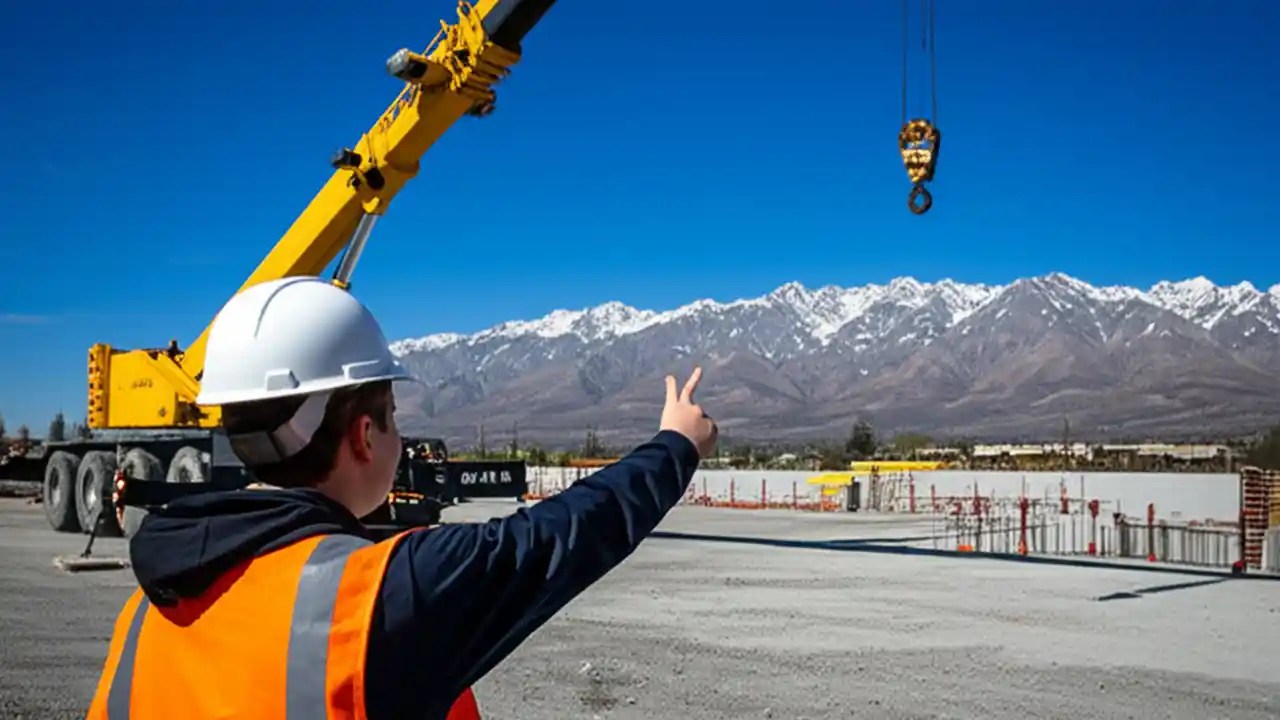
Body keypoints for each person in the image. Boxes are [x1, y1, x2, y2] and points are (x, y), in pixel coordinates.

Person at [85, 276, 718, 720]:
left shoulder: (147, 610)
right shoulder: (379, 594)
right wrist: (675, 446)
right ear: (365, 435)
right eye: (392, 416)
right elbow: (563, 535)